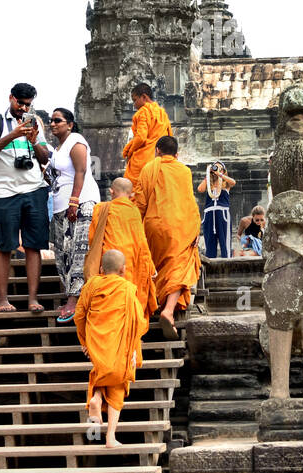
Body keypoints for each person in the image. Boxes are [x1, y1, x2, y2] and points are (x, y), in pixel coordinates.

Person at [0, 83, 52, 314]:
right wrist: (12, 135)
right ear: (11, 98)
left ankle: (32, 299)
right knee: (4, 246)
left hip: (34, 189)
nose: (23, 108)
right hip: (5, 192)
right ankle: (3, 300)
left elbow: (43, 157)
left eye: (28, 104)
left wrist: (33, 140)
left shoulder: (35, 121)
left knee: (33, 246)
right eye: (19, 103)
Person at [75, 249, 145, 448]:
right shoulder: (127, 289)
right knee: (118, 384)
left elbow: (79, 315)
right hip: (119, 342)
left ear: (101, 268)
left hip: (96, 342)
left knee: (101, 375)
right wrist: (133, 348)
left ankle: (96, 399)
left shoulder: (92, 285)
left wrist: (85, 342)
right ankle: (110, 437)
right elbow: (138, 321)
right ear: (123, 269)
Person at [134, 135, 201, 338]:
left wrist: (135, 226)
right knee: (181, 265)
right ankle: (168, 310)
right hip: (181, 227)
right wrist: (196, 228)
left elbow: (141, 201)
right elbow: (189, 202)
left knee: (157, 266)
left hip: (155, 226)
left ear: (157, 151)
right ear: (177, 154)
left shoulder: (149, 168)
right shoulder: (184, 171)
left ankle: (152, 309)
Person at [47, 107, 101, 323]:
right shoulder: (58, 148)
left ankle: (74, 299)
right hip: (60, 206)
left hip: (81, 202)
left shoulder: (76, 140)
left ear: (69, 124)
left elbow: (81, 171)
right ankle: (72, 294)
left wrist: (74, 201)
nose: (53, 124)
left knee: (78, 251)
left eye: (57, 120)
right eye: (51, 120)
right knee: (62, 253)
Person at [85, 177, 157, 328]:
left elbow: (93, 238)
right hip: (130, 264)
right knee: (131, 299)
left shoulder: (101, 209)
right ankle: (131, 335)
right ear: (132, 195)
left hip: (109, 264)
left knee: (111, 301)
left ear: (111, 192)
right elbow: (142, 241)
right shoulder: (134, 211)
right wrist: (150, 266)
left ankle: (113, 333)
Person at [122, 82, 171, 182]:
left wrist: (130, 152)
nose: (134, 104)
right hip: (161, 158)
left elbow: (141, 137)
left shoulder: (143, 112)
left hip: (144, 159)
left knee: (135, 188)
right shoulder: (162, 113)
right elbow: (169, 136)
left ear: (144, 97)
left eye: (135, 100)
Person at [196, 161, 236, 260]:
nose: (216, 169)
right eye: (215, 167)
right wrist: (208, 175)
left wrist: (220, 174)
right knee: (209, 242)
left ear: (223, 170)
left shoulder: (225, 184)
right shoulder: (209, 184)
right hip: (209, 213)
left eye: (219, 167)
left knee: (225, 242)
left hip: (222, 214)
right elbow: (200, 189)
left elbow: (233, 182)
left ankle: (227, 263)